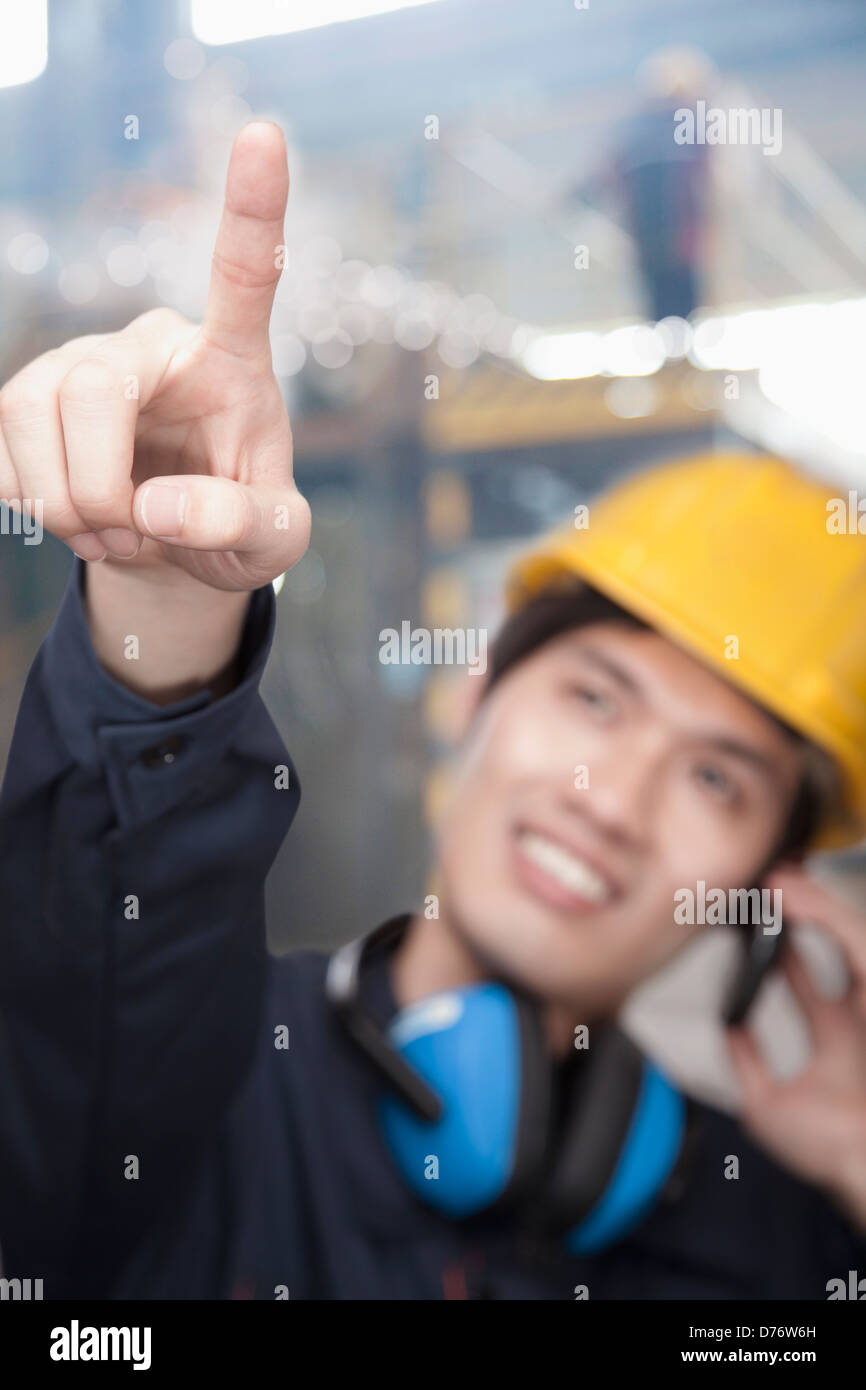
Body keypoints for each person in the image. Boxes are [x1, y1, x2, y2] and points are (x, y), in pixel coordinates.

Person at [1, 123, 866, 1301]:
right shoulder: (199, 1090)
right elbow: (89, 1012)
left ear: (771, 875)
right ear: (478, 691)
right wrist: (160, 600)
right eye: (594, 699)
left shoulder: (778, 1248)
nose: (609, 801)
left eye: (715, 777)